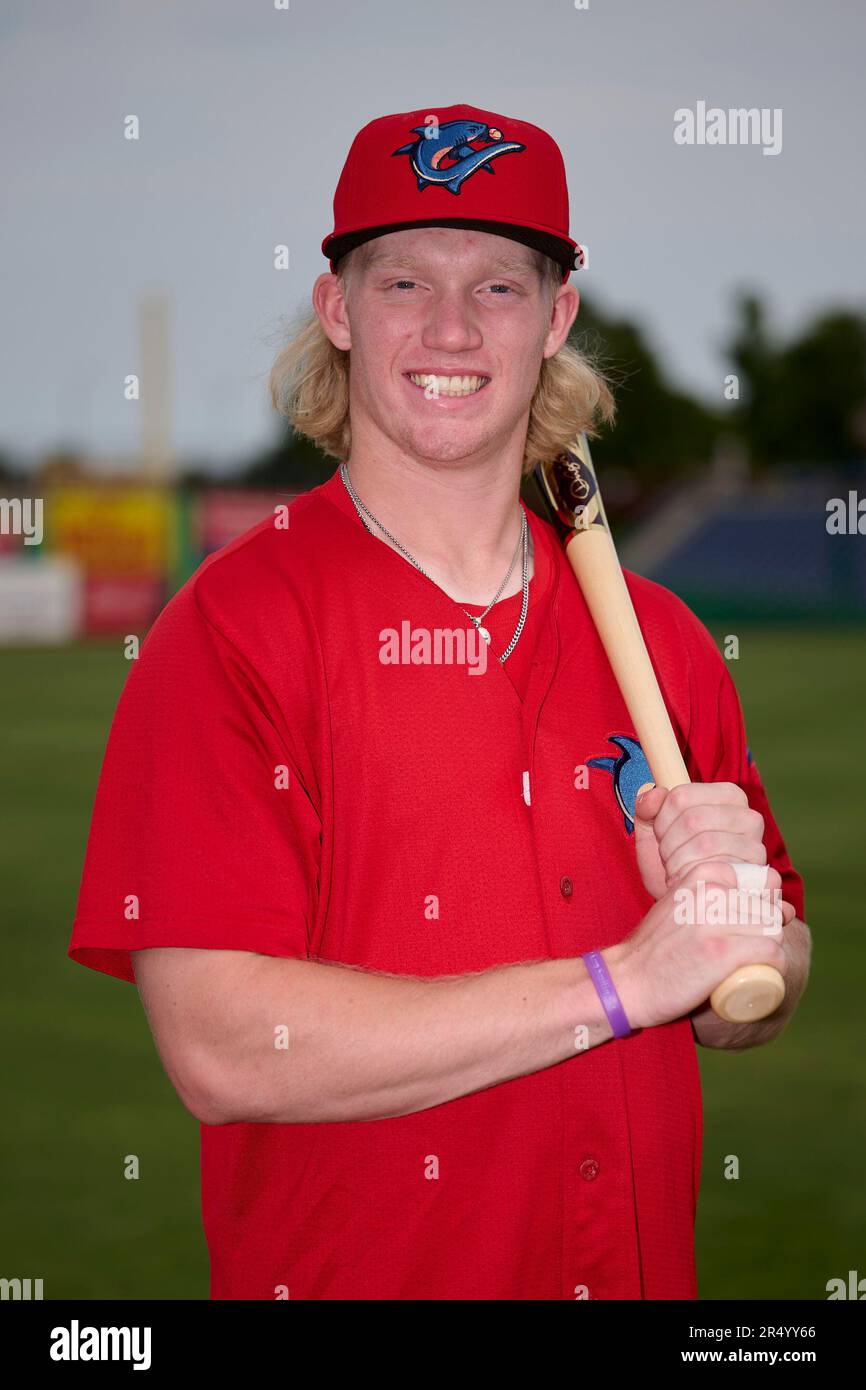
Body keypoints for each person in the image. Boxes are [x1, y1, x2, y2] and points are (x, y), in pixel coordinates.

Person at [69, 103, 811, 1300]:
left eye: (500, 287)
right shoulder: (230, 629)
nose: (450, 327)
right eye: (404, 279)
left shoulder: (659, 639)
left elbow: (754, 984)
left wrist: (744, 932)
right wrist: (621, 980)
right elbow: (218, 1044)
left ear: (556, 316)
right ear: (337, 310)